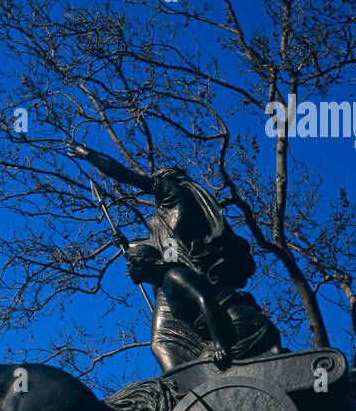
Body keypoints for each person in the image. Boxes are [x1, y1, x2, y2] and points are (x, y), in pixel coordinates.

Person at [68, 143, 282, 371]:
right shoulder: (168, 217)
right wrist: (128, 244)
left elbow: (126, 176)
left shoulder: (174, 193)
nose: (154, 185)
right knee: (164, 341)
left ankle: (188, 381)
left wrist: (89, 154)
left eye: (157, 180)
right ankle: (192, 375)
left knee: (163, 341)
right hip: (170, 273)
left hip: (179, 274)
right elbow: (165, 248)